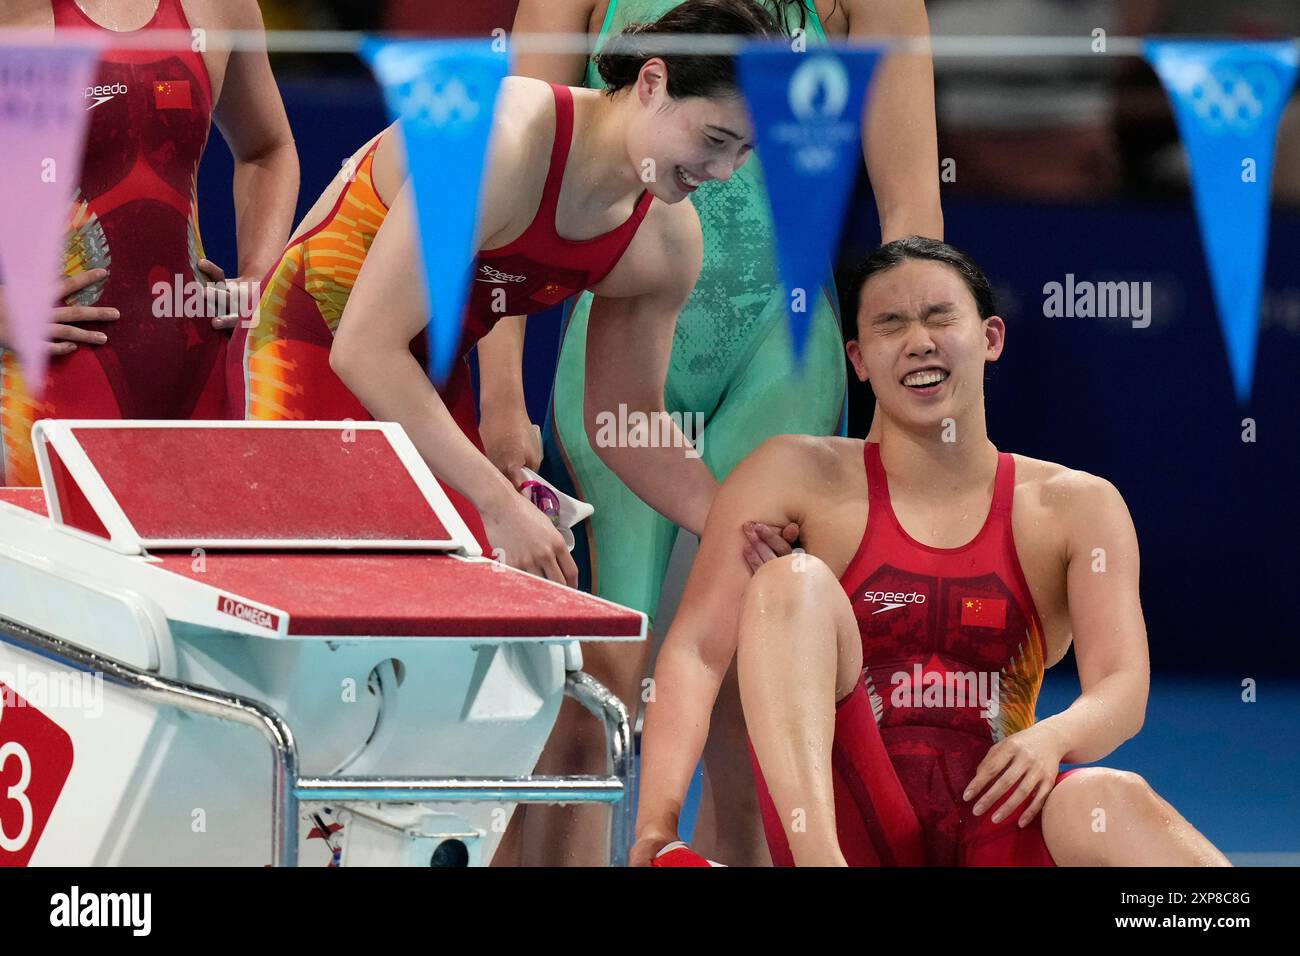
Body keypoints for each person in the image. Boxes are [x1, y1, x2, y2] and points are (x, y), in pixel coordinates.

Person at [490, 0, 942, 865]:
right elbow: (516, 185)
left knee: (753, 681)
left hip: (786, 349)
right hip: (624, 342)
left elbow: (911, 208)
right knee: (601, 682)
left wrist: (900, 417)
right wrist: (502, 392)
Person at [632, 236, 1230, 866]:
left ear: (991, 337)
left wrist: (1054, 737)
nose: (919, 341)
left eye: (941, 317)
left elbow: (1122, 687)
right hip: (846, 830)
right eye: (891, 325)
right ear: (858, 360)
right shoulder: (792, 475)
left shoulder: (1076, 506)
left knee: (1111, 797)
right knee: (792, 583)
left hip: (995, 825)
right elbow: (698, 651)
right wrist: (655, 827)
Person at [228, 0, 794, 591]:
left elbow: (624, 422)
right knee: (311, 592)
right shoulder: (499, 141)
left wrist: (732, 524)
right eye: (716, 138)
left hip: (421, 380)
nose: (725, 170)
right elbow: (363, 349)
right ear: (653, 81)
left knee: (445, 602)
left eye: (745, 151)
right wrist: (499, 502)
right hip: (304, 345)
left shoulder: (664, 243)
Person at [0, 0, 299, 488]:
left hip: (197, 364)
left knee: (200, 560)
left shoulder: (221, 8)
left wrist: (259, 275)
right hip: (50, 376)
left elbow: (268, 149)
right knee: (59, 562)